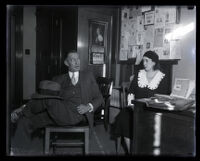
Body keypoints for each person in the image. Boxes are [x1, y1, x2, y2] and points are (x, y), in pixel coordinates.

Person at [11, 50, 104, 154]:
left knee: (48, 100)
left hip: (79, 115)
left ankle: (22, 110)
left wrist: (88, 106)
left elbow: (99, 98)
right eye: (72, 60)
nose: (77, 62)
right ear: (66, 63)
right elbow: (42, 98)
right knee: (26, 121)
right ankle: (15, 150)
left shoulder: (88, 76)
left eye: (78, 59)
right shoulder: (58, 79)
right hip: (58, 112)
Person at [112, 50, 168, 154]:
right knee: (123, 117)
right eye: (143, 61)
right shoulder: (139, 74)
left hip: (152, 111)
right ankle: (132, 152)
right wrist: (131, 105)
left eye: (147, 61)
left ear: (154, 62)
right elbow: (131, 92)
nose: (144, 63)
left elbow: (162, 98)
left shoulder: (162, 77)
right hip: (135, 108)